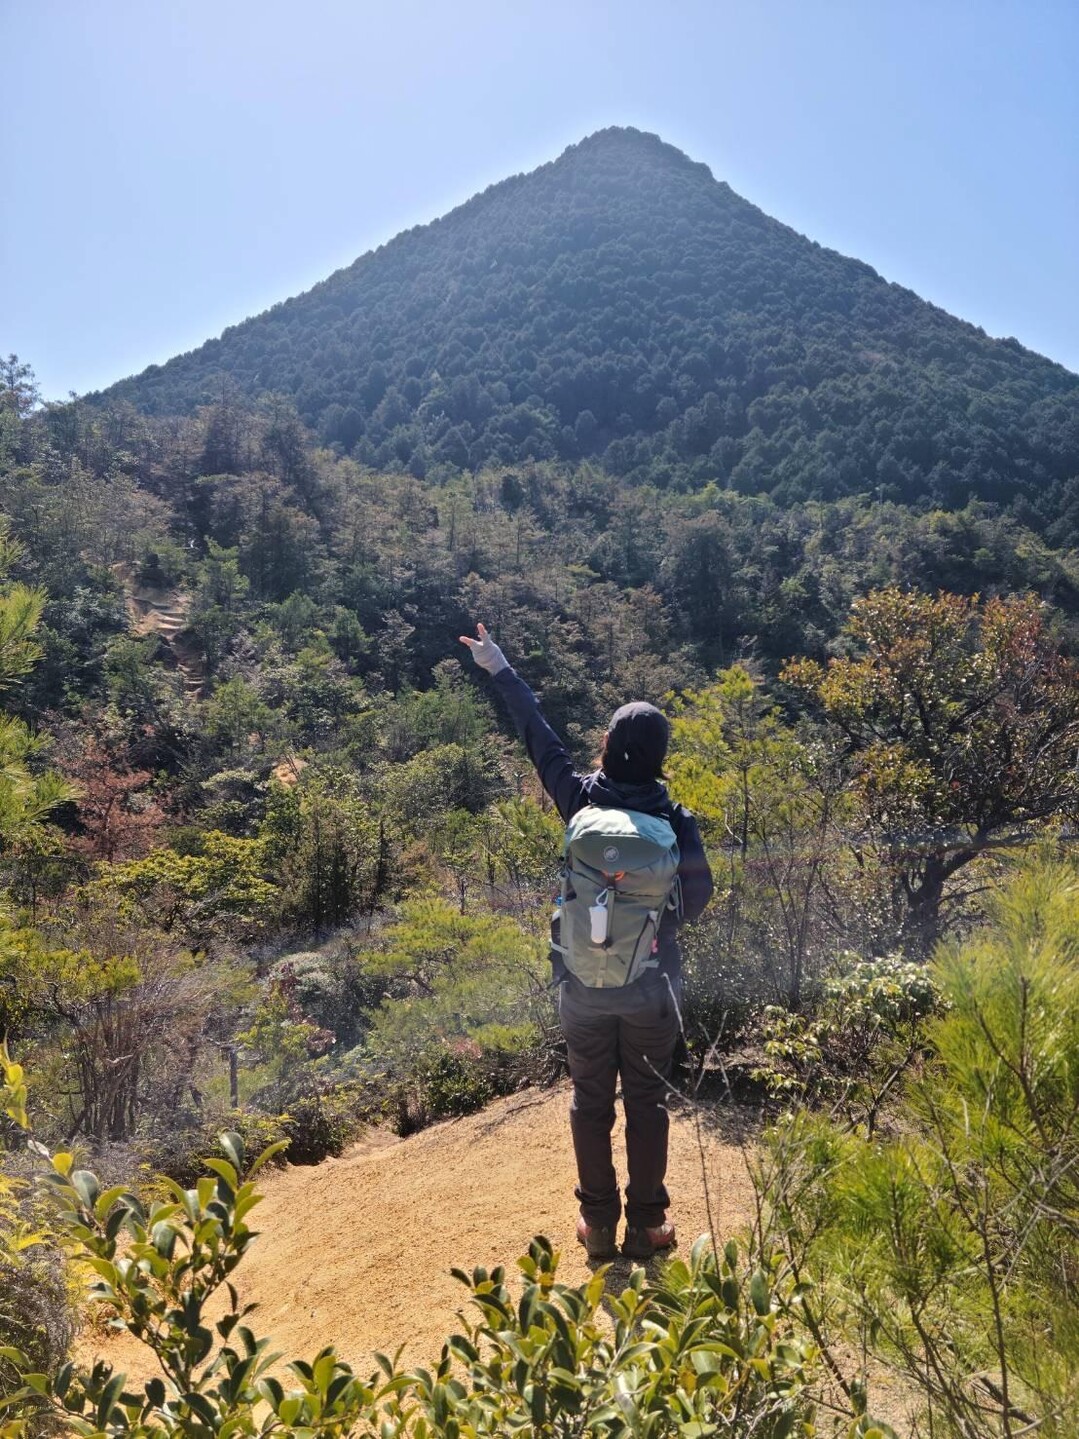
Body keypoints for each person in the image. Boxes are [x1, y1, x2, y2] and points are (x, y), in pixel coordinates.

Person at [459, 622, 714, 1261]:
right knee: (648, 1101)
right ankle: (649, 1226)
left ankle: (597, 1226)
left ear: (608, 747)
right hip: (651, 986)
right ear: (660, 756)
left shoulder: (578, 805)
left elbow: (536, 737)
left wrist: (499, 666)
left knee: (589, 1100)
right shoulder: (676, 822)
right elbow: (700, 898)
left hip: (581, 985)